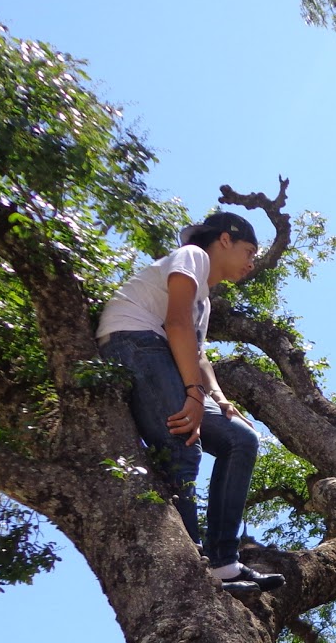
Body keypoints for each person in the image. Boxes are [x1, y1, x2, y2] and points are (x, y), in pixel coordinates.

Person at [97, 211, 284, 591]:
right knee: (185, 443)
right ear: (225, 240)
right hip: (133, 342)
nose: (252, 262)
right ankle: (192, 565)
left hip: (161, 355)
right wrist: (193, 395)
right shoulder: (193, 256)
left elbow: (197, 355)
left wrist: (218, 397)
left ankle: (223, 563)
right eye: (249, 250)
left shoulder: (206, 300)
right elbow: (176, 325)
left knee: (242, 440)